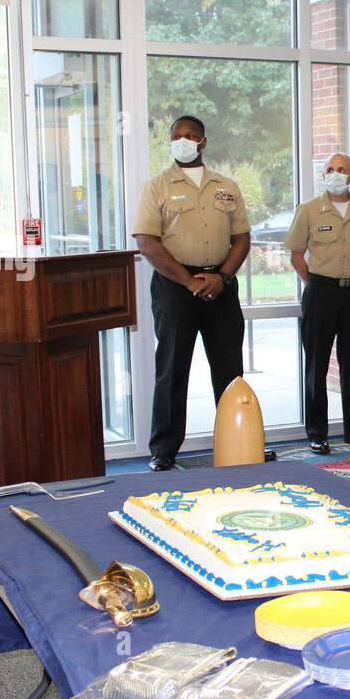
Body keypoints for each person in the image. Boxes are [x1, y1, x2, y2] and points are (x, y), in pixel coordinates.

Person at [133, 115, 250, 471]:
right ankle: (164, 450)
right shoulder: (157, 187)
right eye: (176, 136)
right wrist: (188, 281)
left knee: (229, 368)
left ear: (203, 142)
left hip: (221, 286)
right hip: (175, 288)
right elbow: (147, 242)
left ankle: (238, 441)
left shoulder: (226, 186)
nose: (182, 141)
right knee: (171, 367)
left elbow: (242, 238)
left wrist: (223, 277)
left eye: (190, 136)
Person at [284, 153, 350, 454]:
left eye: (342, 170)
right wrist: (315, 283)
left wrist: (348, 277)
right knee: (316, 364)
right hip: (320, 292)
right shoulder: (310, 210)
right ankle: (317, 433)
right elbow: (296, 255)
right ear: (323, 174)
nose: (335, 174)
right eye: (330, 169)